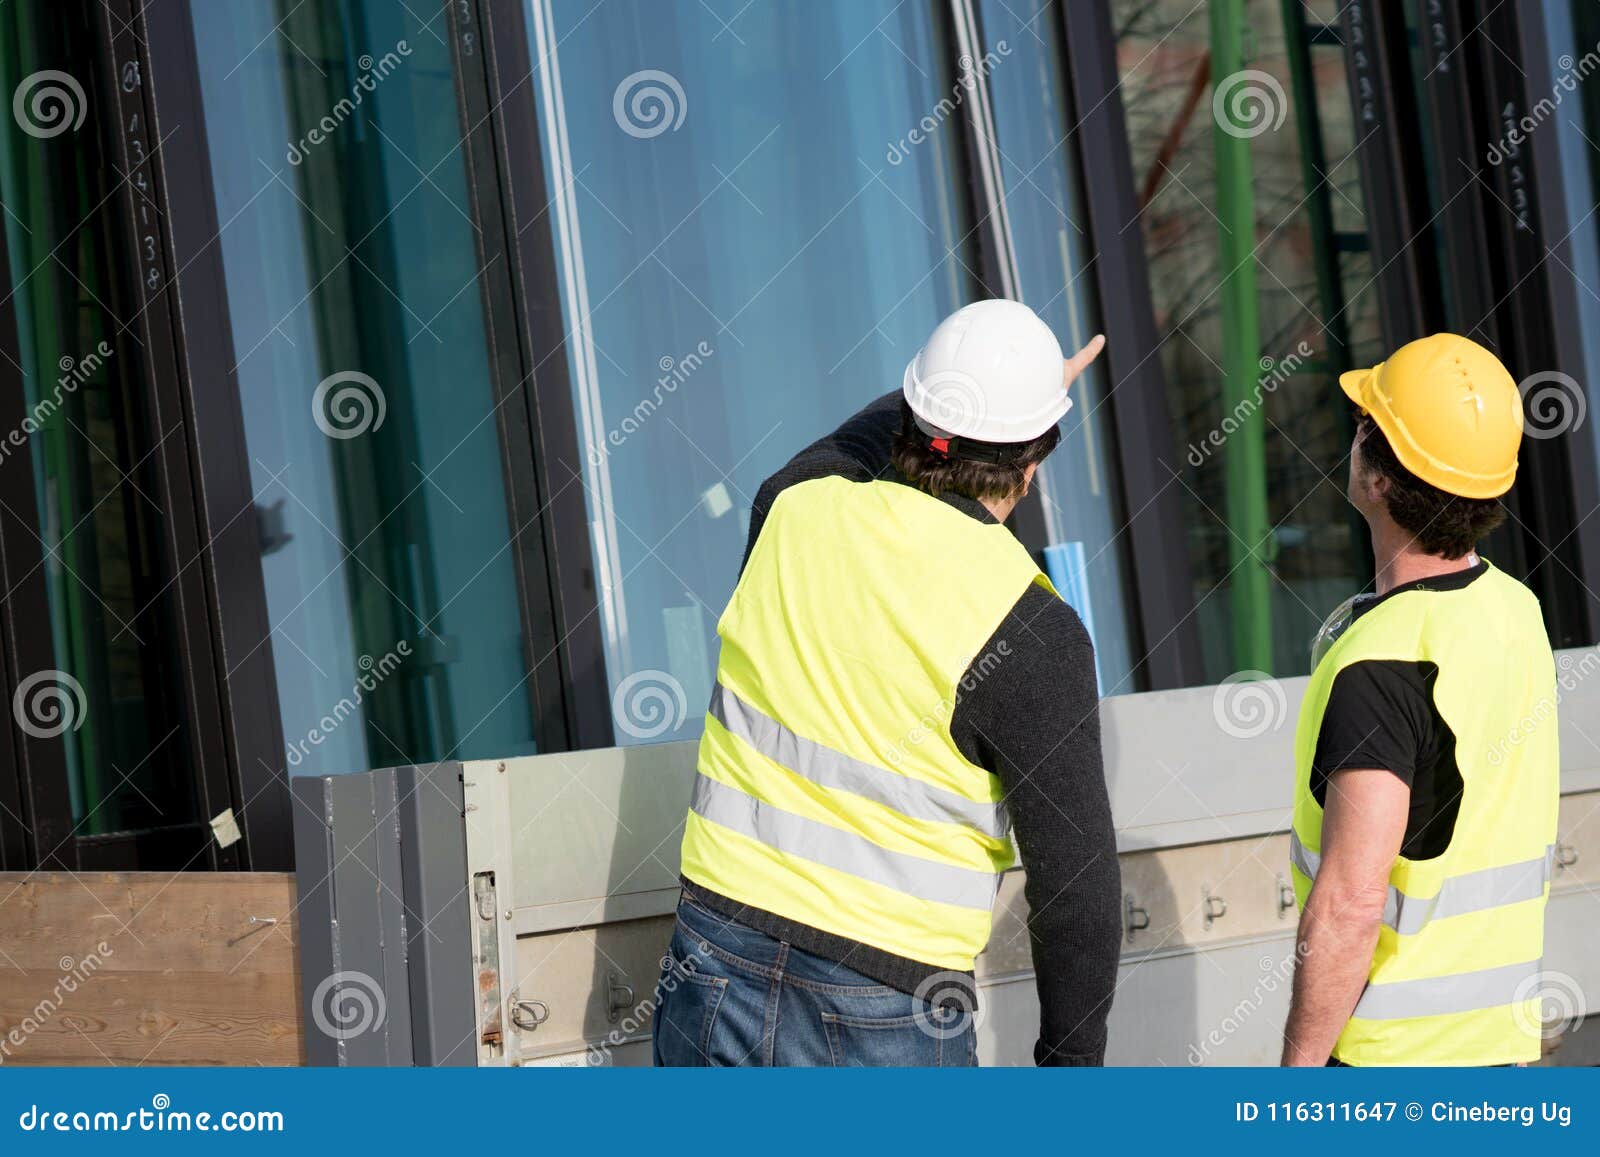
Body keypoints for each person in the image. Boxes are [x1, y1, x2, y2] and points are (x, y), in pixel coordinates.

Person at [650, 299, 1121, 1067]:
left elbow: (853, 440)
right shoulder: (1034, 628)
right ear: (1032, 466)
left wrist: (973, 395)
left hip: (712, 959)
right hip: (883, 1004)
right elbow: (1077, 889)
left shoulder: (791, 507)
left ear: (911, 415)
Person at [1282, 333, 1560, 1067]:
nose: (1354, 439)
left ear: (1378, 479)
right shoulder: (1517, 611)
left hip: (1391, 1070)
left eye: (1364, 427)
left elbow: (1349, 903)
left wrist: (1296, 1080)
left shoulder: (1381, 662)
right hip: (1500, 1050)